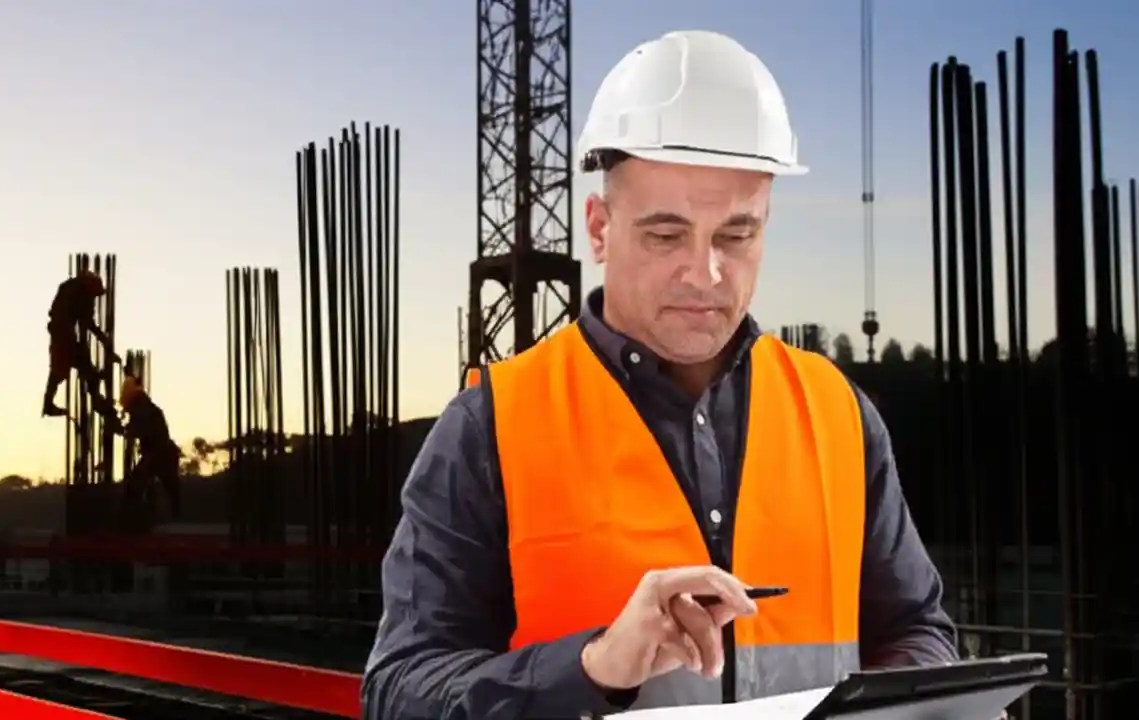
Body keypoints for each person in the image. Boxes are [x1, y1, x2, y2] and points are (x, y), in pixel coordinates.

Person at [361, 30, 959, 719]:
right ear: (598, 226)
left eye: (736, 235)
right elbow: (399, 690)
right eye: (666, 235)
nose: (705, 274)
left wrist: (928, 704)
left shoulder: (836, 413)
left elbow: (919, 631)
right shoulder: (492, 426)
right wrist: (590, 668)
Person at [42, 269, 120, 425]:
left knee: (71, 367)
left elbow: (85, 321)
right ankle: (95, 398)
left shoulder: (73, 288)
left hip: (63, 332)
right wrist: (103, 340)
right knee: (64, 367)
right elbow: (87, 322)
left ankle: (96, 396)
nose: (95, 298)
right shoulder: (82, 293)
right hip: (63, 334)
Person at [116, 376, 182, 529]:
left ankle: (133, 522)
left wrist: (121, 429)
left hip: (160, 455)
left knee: (138, 485)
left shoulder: (142, 409)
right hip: (159, 454)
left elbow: (136, 430)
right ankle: (163, 518)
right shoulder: (145, 407)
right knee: (164, 488)